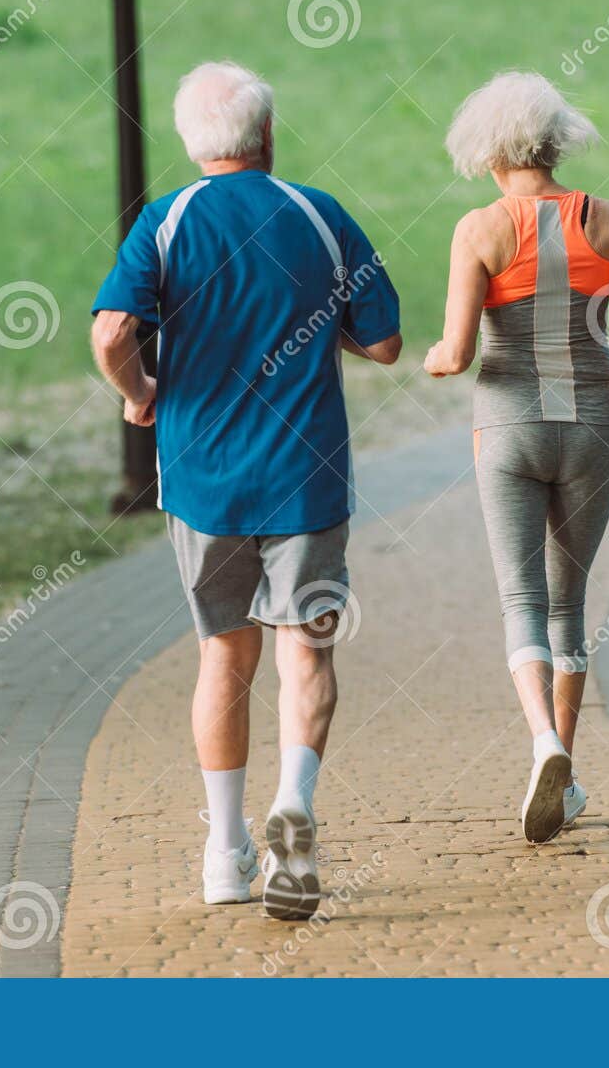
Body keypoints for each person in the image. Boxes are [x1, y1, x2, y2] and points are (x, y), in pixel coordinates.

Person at [91, 61, 402, 920]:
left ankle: (225, 854)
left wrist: (138, 392)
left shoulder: (168, 220)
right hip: (307, 476)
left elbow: (114, 328)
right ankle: (295, 802)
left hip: (204, 479)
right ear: (267, 136)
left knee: (225, 656)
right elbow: (385, 345)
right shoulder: (319, 215)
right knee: (308, 649)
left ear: (194, 144)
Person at [424, 71, 609, 843]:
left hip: (509, 428)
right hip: (595, 426)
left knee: (519, 600)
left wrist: (431, 356)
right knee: (570, 603)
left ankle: (544, 746)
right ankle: (564, 782)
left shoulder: (480, 230)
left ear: (489, 151)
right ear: (556, 143)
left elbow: (459, 354)